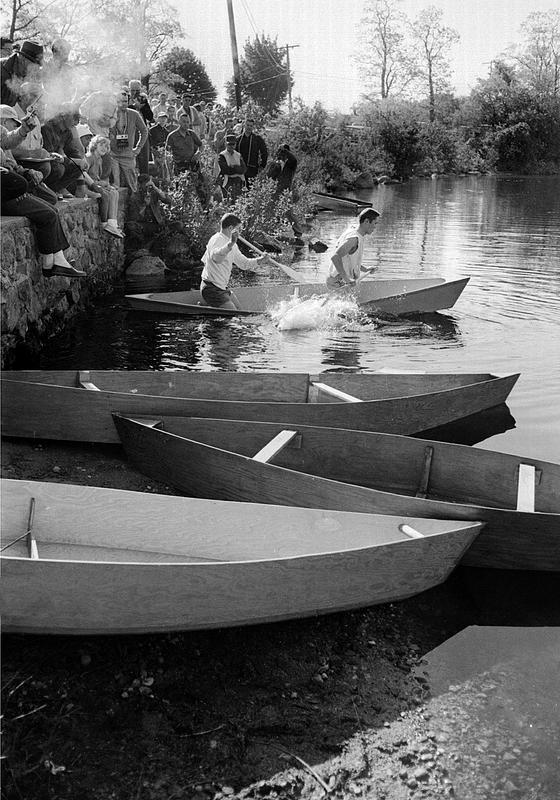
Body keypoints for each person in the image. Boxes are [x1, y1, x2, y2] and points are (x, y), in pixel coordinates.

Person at [1, 159, 85, 278]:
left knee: (53, 210)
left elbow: (11, 163)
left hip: (14, 191)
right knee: (48, 215)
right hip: (8, 198)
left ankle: (58, 259)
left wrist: (25, 171)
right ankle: (49, 263)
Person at [200, 213, 270, 310]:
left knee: (240, 310)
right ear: (230, 228)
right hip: (211, 288)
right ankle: (209, 303)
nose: (239, 232)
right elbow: (216, 258)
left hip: (221, 288)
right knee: (233, 315)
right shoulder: (216, 239)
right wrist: (230, 244)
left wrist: (261, 260)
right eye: (238, 229)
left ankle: (208, 305)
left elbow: (244, 264)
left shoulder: (233, 245)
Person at [326, 206, 380, 288]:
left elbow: (349, 259)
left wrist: (365, 269)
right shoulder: (354, 239)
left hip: (340, 281)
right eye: (375, 223)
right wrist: (347, 279)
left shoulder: (355, 233)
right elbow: (335, 257)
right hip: (338, 282)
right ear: (366, 221)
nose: (375, 227)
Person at [108, 87, 147, 192]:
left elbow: (144, 131)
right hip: (113, 154)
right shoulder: (110, 114)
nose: (123, 104)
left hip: (128, 155)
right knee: (115, 185)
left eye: (125, 101)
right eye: (120, 101)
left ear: (129, 101)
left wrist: (138, 148)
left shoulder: (134, 114)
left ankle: (133, 206)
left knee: (132, 186)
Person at [85, 135, 124, 237]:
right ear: (94, 145)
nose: (104, 148)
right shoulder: (90, 157)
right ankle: (106, 224)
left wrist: (104, 184)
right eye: (101, 145)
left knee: (114, 192)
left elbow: (97, 177)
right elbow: (83, 173)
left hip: (96, 184)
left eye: (106, 146)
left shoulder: (100, 159)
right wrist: (99, 184)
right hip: (88, 186)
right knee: (107, 194)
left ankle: (112, 223)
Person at [0, 40, 43, 106]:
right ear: (22, 58)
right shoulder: (1, 68)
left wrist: (39, 93)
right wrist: (20, 91)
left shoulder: (34, 74)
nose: (35, 69)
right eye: (33, 64)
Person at [236, 117, 267, 186]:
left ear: (253, 127)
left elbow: (264, 152)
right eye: (247, 125)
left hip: (252, 168)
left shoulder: (257, 139)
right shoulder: (238, 139)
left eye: (251, 126)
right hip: (239, 169)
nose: (249, 127)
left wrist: (262, 165)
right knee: (239, 189)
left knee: (250, 189)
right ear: (244, 125)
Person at [217, 133, 246, 201]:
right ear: (225, 144)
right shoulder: (222, 155)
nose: (231, 146)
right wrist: (237, 168)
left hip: (238, 182)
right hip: (227, 182)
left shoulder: (238, 155)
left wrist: (233, 167)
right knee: (227, 202)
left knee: (238, 202)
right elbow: (225, 170)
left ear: (235, 144)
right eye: (229, 144)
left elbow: (244, 169)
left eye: (233, 144)